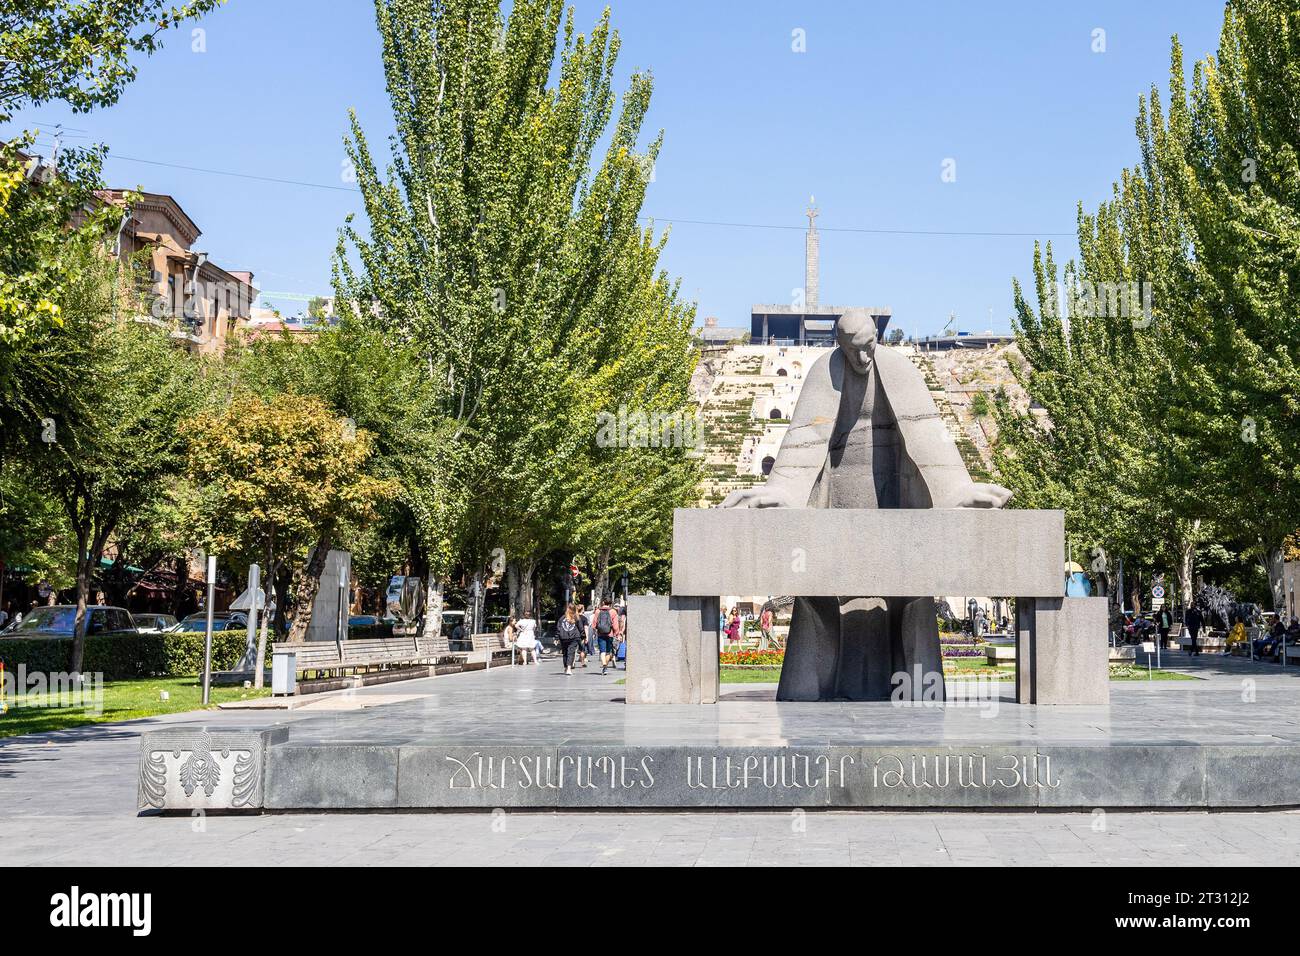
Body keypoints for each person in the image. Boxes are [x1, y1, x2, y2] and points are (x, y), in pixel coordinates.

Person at [555, 604, 584, 675]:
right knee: (571, 652)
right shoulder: (576, 617)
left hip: (563, 637)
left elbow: (558, 628)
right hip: (574, 637)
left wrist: (557, 638)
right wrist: (583, 637)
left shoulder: (562, 618)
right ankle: (568, 668)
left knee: (565, 653)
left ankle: (566, 667)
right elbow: (581, 628)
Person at [593, 598, 620, 675]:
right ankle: (605, 667)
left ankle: (604, 666)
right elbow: (615, 625)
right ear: (611, 603)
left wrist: (595, 631)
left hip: (600, 634)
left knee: (602, 651)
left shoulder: (598, 611)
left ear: (603, 602)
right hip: (609, 634)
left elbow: (594, 623)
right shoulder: (613, 611)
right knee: (608, 652)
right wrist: (617, 634)